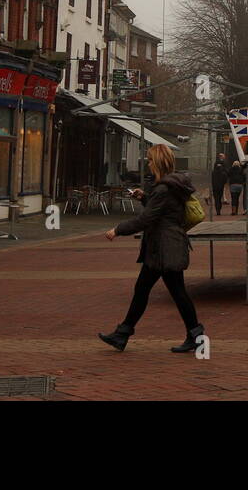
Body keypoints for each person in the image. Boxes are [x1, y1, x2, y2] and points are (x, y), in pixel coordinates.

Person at [99, 144, 204, 354]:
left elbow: (146, 219)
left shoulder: (164, 188)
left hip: (164, 247)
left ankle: (196, 335)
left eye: (149, 160)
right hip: (164, 246)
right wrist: (145, 198)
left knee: (172, 292)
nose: (147, 163)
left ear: (157, 162)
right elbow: (164, 211)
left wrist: (118, 230)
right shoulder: (170, 186)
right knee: (147, 289)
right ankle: (123, 333)